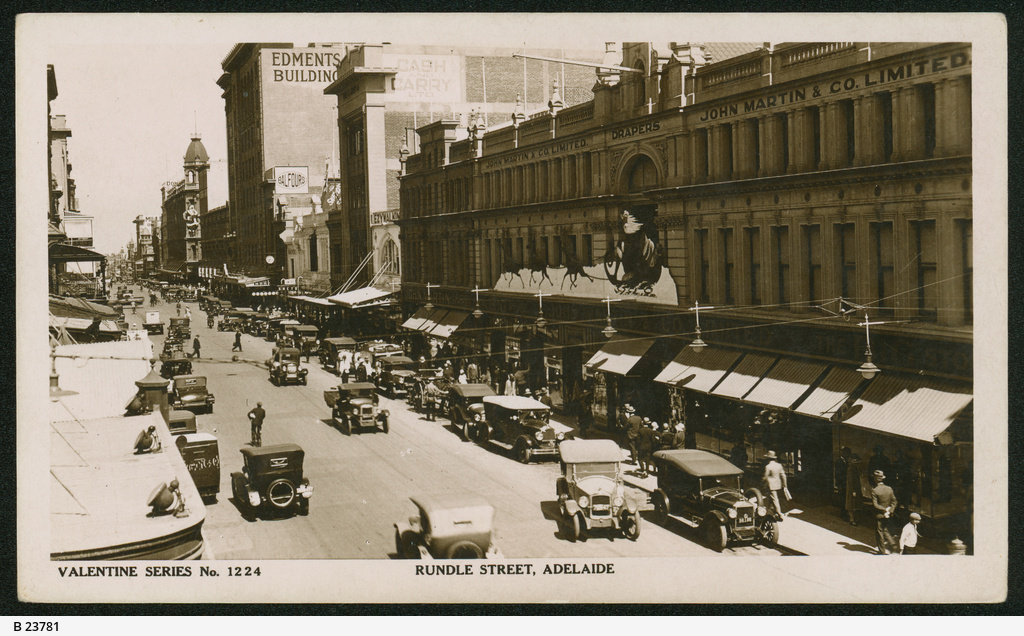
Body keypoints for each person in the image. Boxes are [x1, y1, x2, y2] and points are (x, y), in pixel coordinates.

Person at [871, 469, 899, 555]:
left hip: (879, 514)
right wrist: (890, 510)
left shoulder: (875, 490)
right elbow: (895, 502)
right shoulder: (889, 488)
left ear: (875, 479)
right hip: (888, 514)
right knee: (885, 529)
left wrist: (884, 509)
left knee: (879, 532)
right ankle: (894, 545)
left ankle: (882, 551)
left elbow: (875, 505)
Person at [763, 450, 791, 519]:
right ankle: (767, 511)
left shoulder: (768, 466)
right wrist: (785, 485)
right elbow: (783, 476)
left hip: (771, 486)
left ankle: (779, 514)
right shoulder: (779, 465)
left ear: (768, 459)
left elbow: (765, 477)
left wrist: (762, 482)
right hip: (778, 485)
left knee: (775, 500)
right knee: (770, 498)